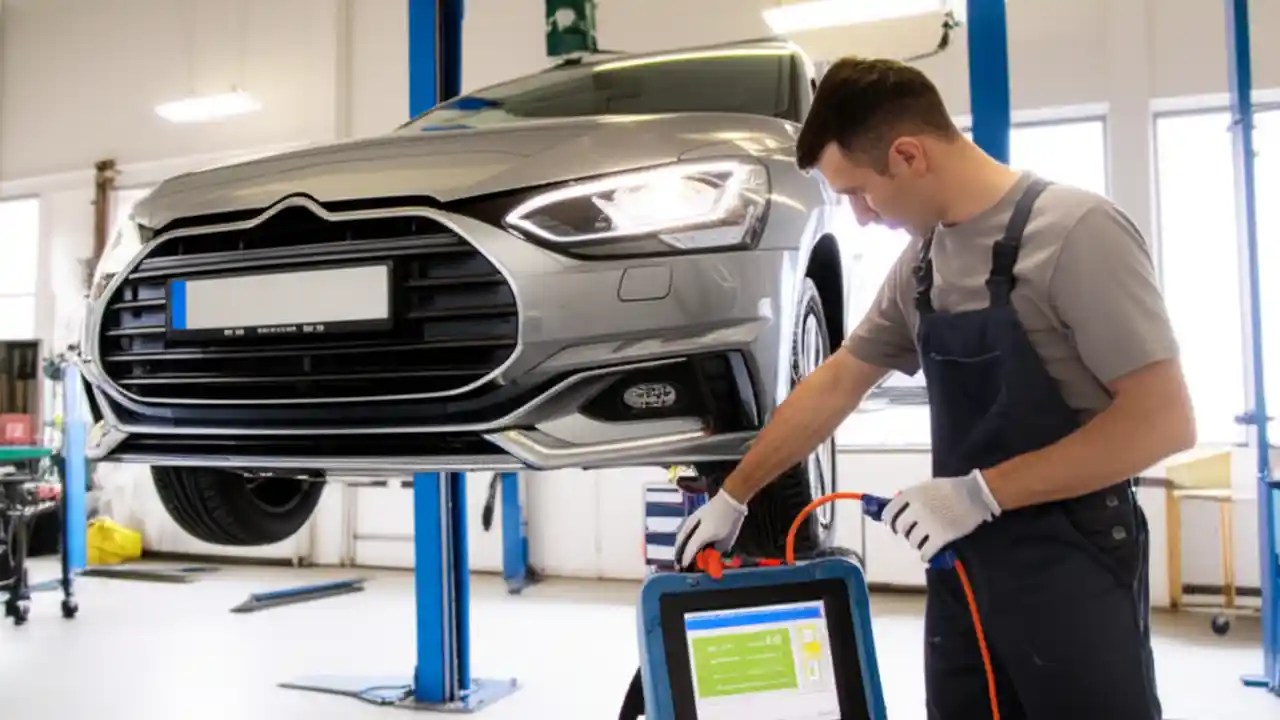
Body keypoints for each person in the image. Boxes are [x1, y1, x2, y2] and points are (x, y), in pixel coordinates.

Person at [672, 57, 1195, 719]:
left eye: (860, 191)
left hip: (1073, 560)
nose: (860, 217)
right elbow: (836, 382)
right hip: (961, 563)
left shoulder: (1074, 232)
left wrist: (984, 492)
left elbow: (1163, 422)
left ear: (909, 154)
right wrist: (736, 494)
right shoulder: (923, 263)